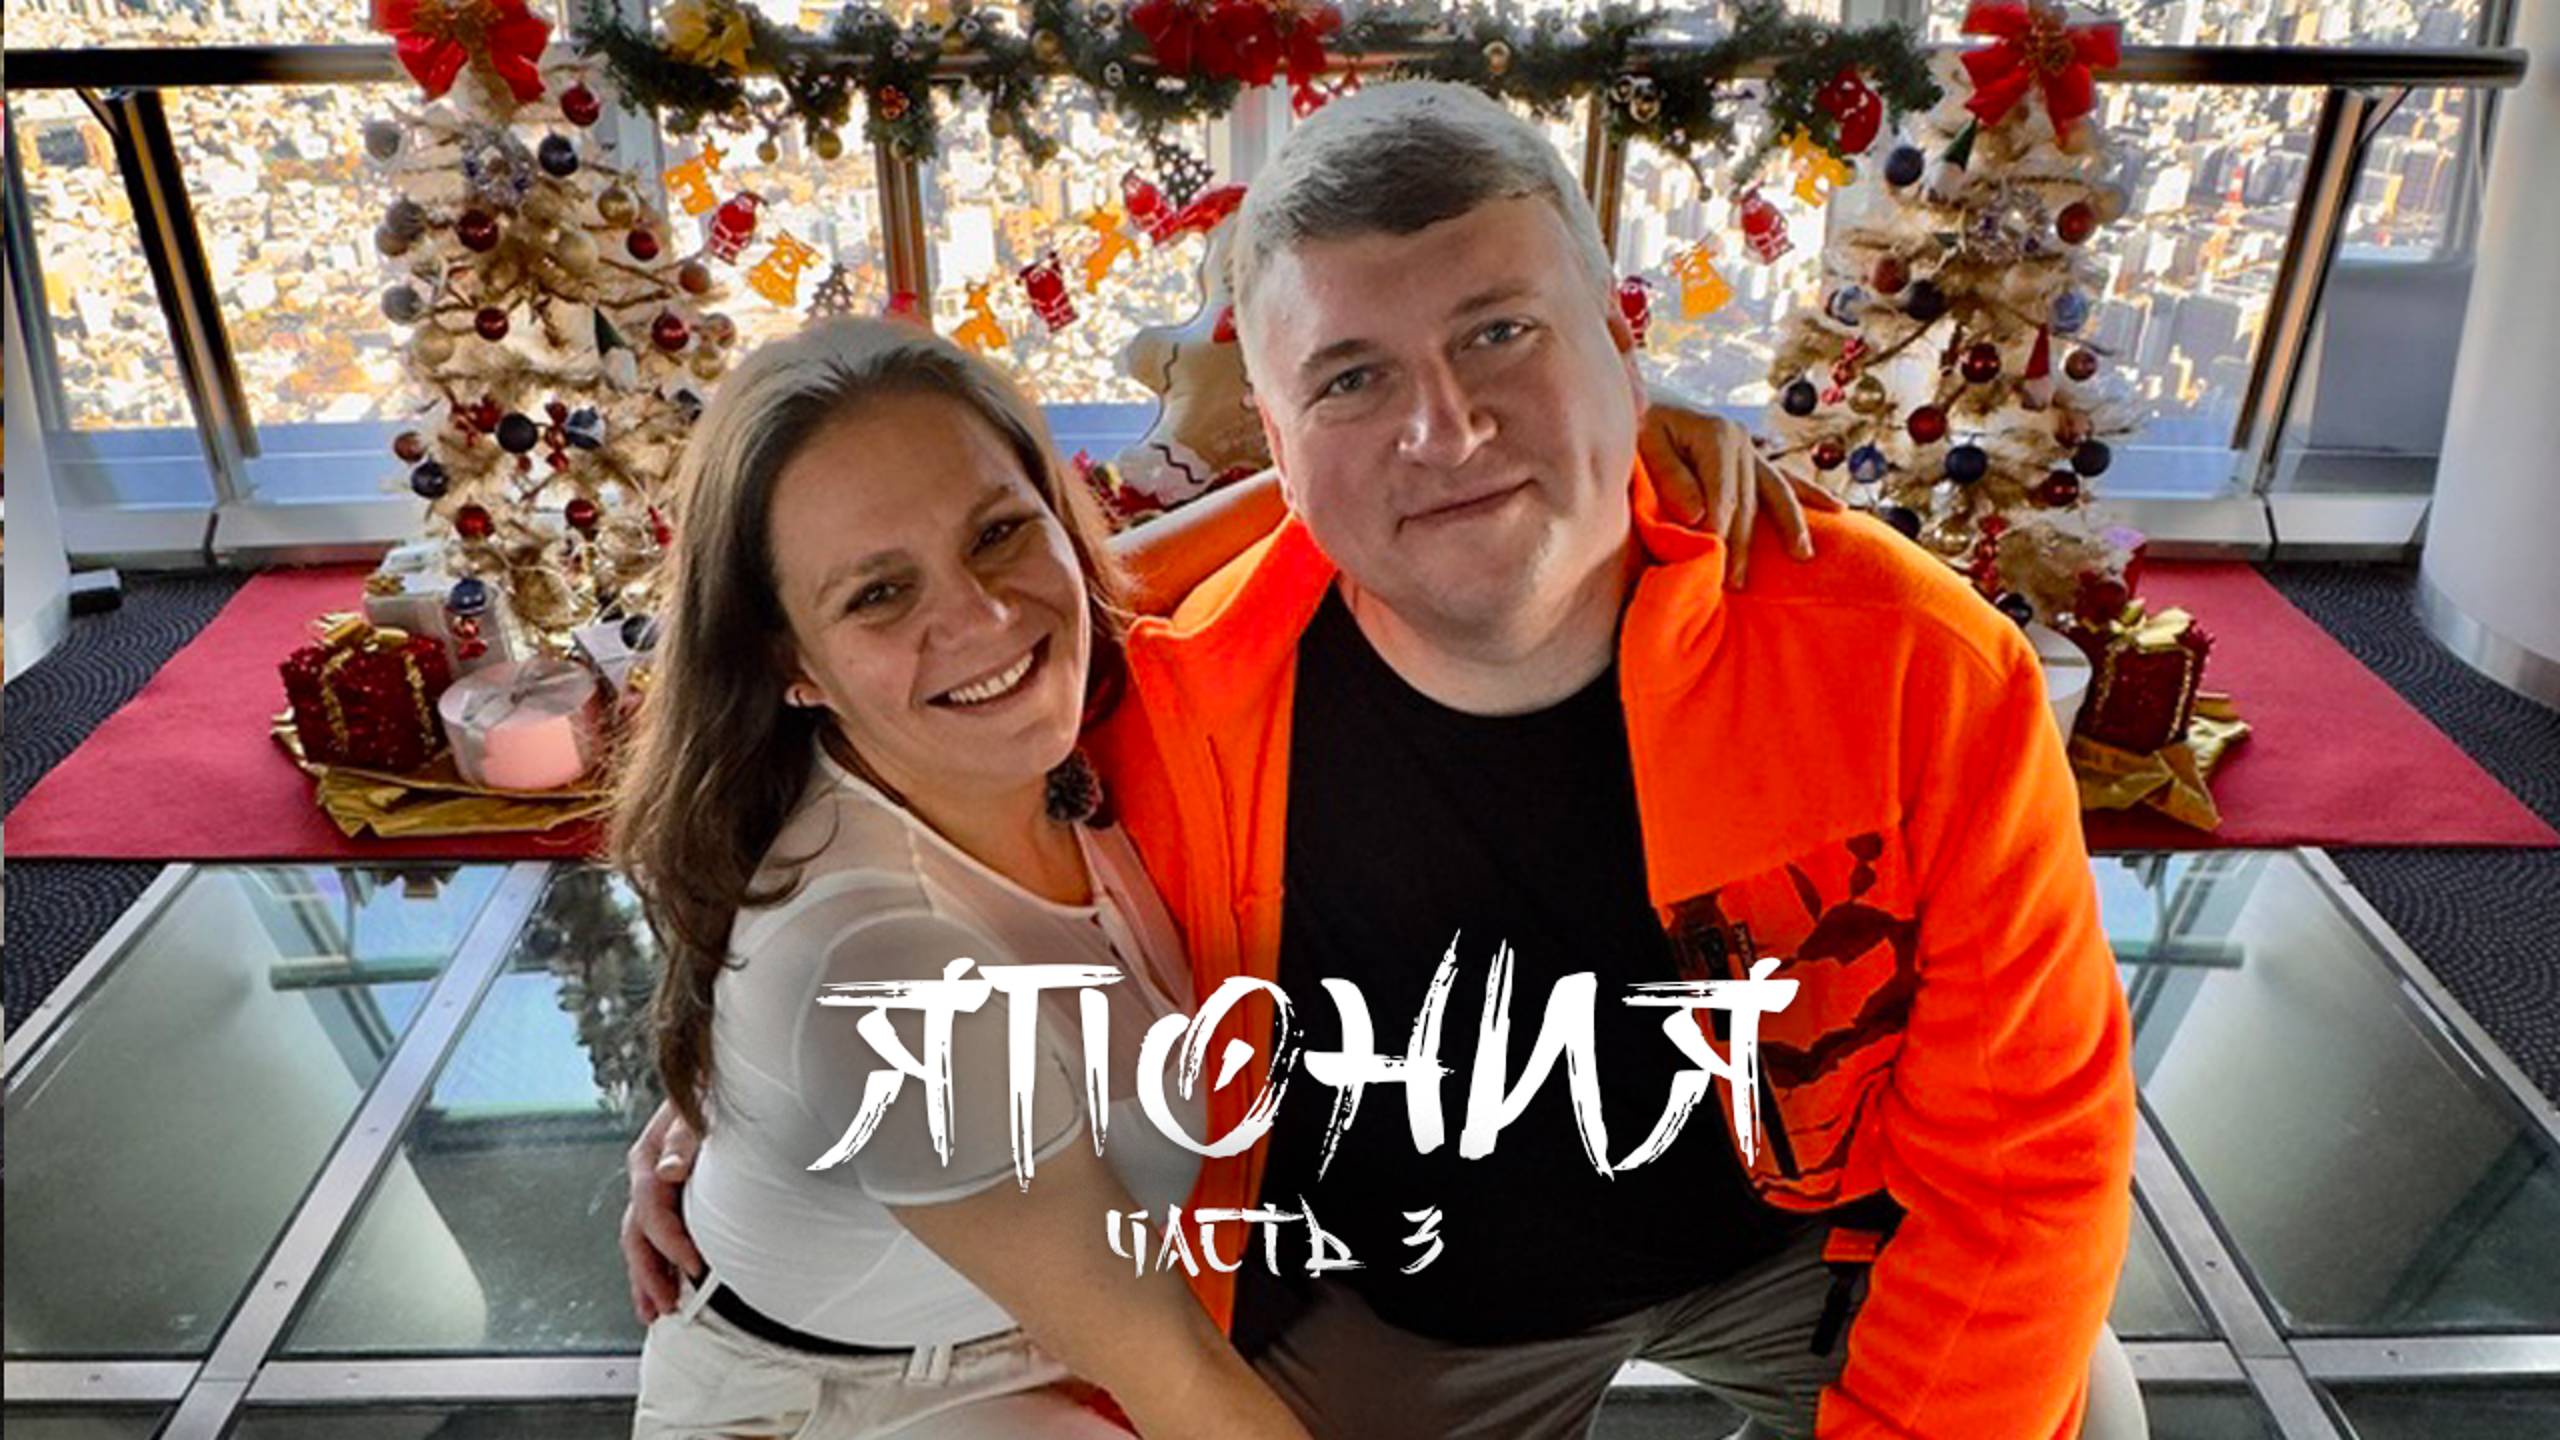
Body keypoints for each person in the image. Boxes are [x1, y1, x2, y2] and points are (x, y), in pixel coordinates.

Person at [1081, 82, 2140, 1438]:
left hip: (1797, 1237)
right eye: (1351, 377)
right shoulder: (1163, 710)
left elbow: (2023, 1156)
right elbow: (895, 695)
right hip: (1413, 1292)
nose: (1446, 427)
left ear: (1623, 353)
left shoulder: (1912, 667)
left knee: (2084, 1413)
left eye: (1500, 333)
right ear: (1274, 447)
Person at [612, 316, 1808, 1439]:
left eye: (997, 531)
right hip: (848, 1404)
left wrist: (1586, 425)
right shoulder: (892, 981)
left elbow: (1279, 513)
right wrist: (789, 1075)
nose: (980, 616)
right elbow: (1176, 1376)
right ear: (788, 662)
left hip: (1038, 1320)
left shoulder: (1036, 672)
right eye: (877, 593)